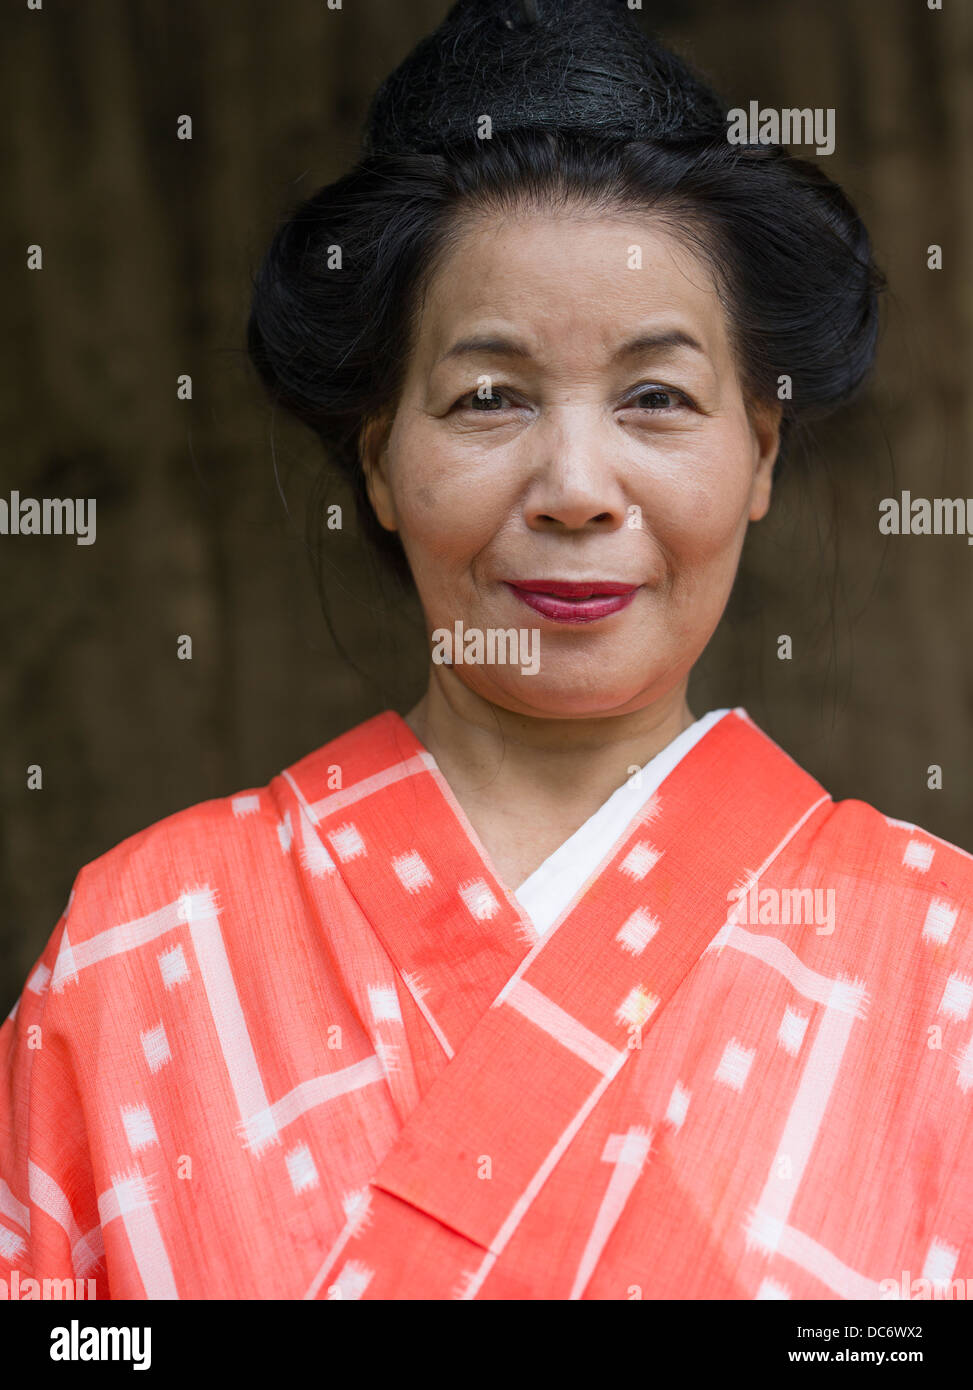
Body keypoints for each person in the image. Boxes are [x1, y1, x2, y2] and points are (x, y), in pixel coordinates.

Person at [1, 0, 970, 1302]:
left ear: (760, 451)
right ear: (380, 459)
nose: (575, 485)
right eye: (488, 396)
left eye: (655, 398)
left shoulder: (943, 953)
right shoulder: (134, 945)